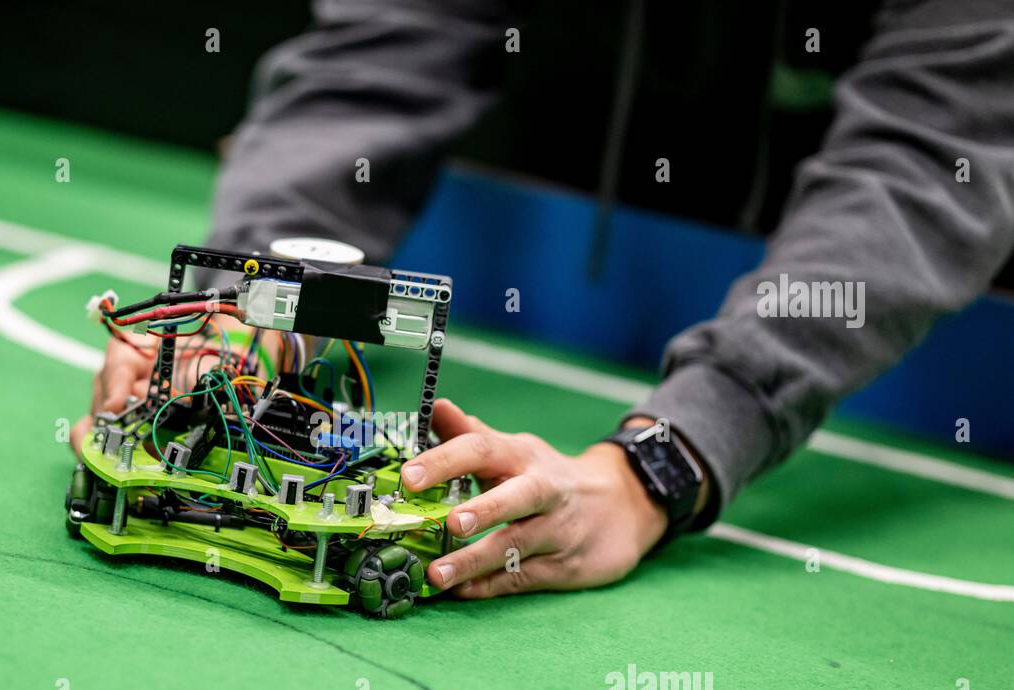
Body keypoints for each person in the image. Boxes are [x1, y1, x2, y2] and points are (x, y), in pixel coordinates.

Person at [72, 0, 1014, 599]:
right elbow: (381, 52)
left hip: (938, 362)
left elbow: (929, 162)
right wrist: (253, 300)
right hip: (559, 252)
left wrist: (664, 463)